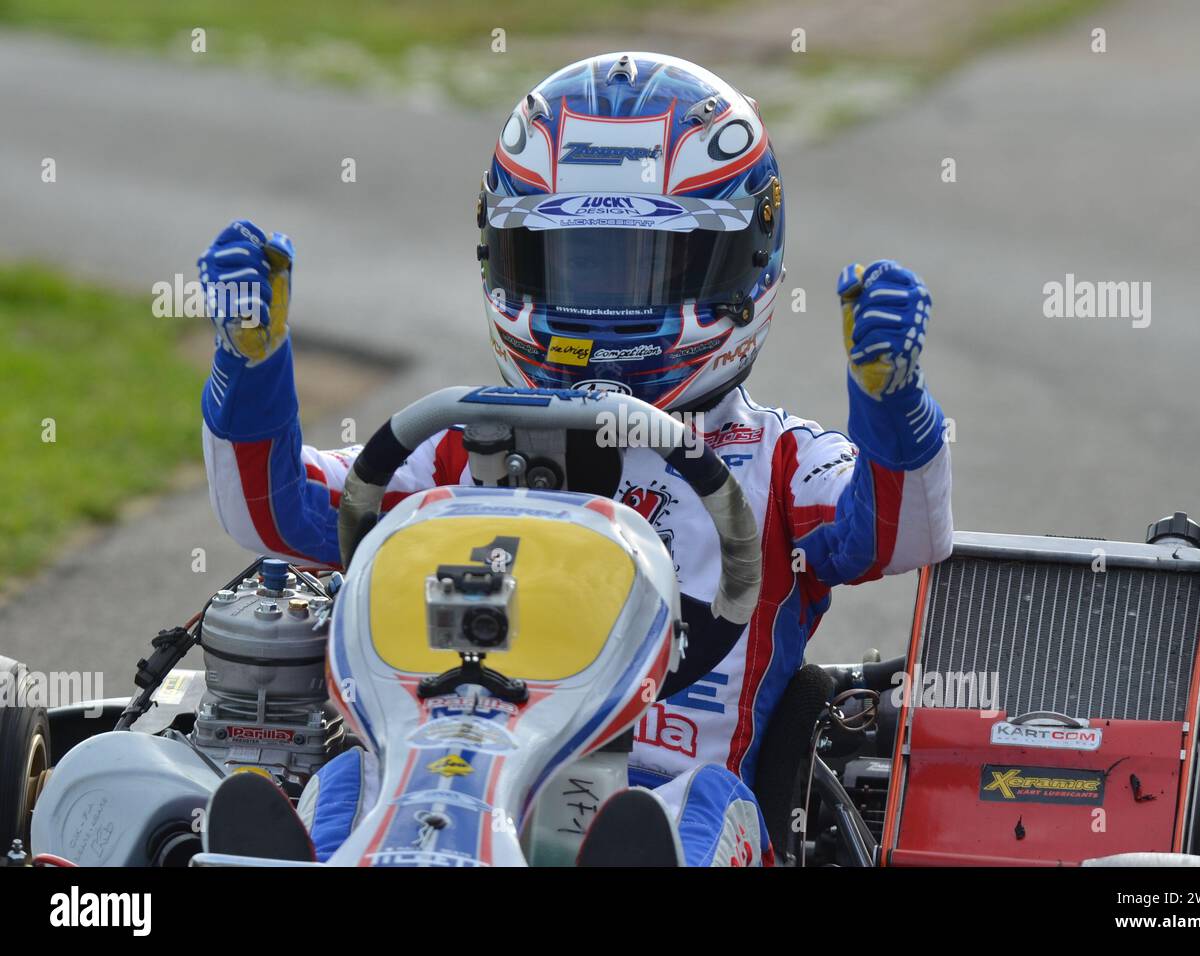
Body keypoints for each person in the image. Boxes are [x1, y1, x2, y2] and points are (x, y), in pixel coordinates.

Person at [198, 52, 952, 866]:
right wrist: (252, 367)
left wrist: (891, 403)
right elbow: (272, 510)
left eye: (646, 267)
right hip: (445, 782)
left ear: (739, 269)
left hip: (657, 795)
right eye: (567, 262)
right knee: (347, 779)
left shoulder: (777, 461)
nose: (601, 307)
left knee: (703, 805)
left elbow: (901, 534)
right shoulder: (456, 445)